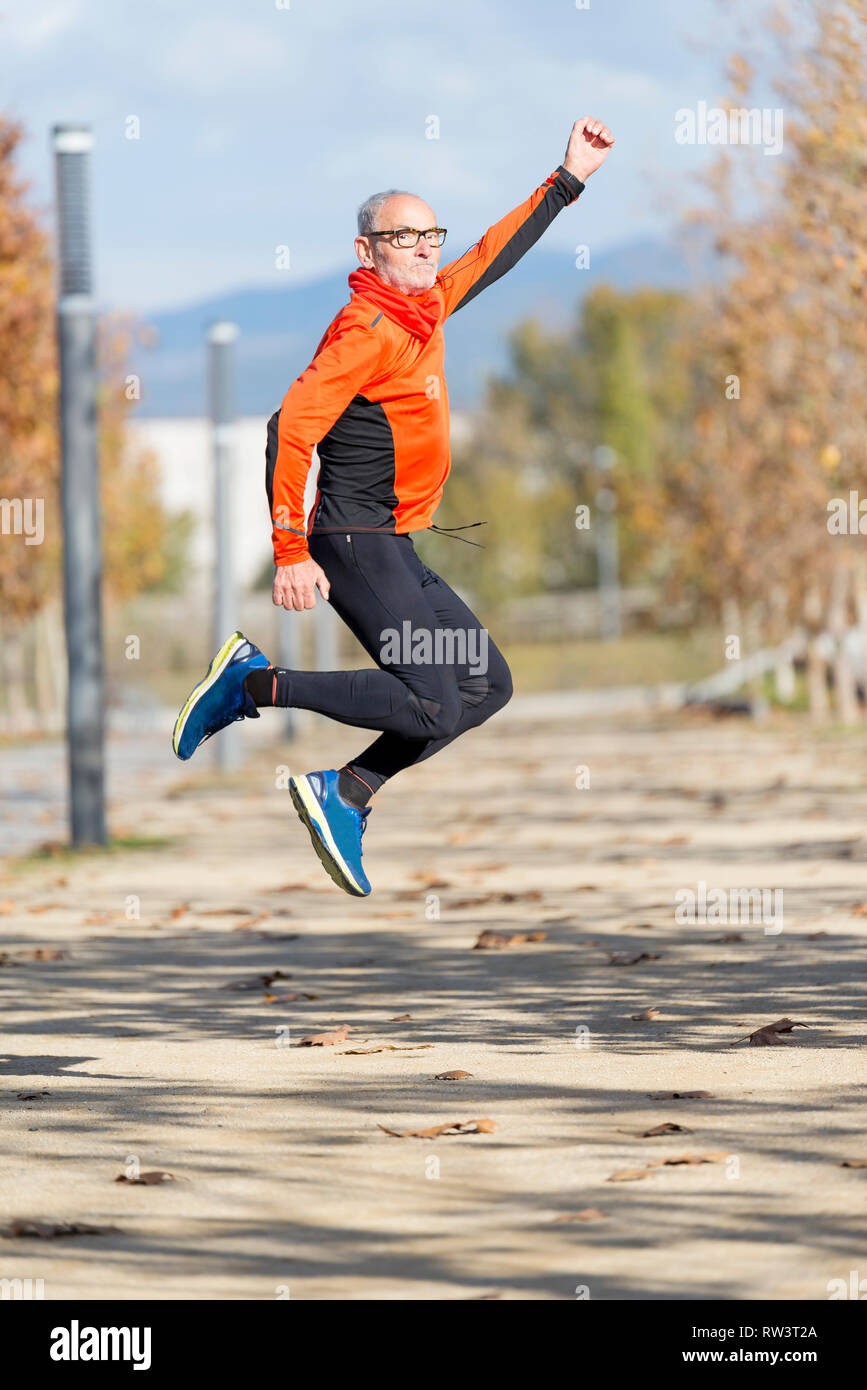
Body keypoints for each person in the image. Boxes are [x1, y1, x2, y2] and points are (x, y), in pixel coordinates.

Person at [172, 118, 615, 897]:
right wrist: (288, 550)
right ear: (366, 250)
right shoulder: (365, 330)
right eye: (402, 235)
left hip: (393, 541)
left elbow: (492, 252)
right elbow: (290, 427)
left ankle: (345, 794)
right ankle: (250, 686)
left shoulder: (428, 307)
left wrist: (567, 177)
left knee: (483, 686)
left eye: (428, 234)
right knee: (431, 700)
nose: (422, 246)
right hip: (349, 539)